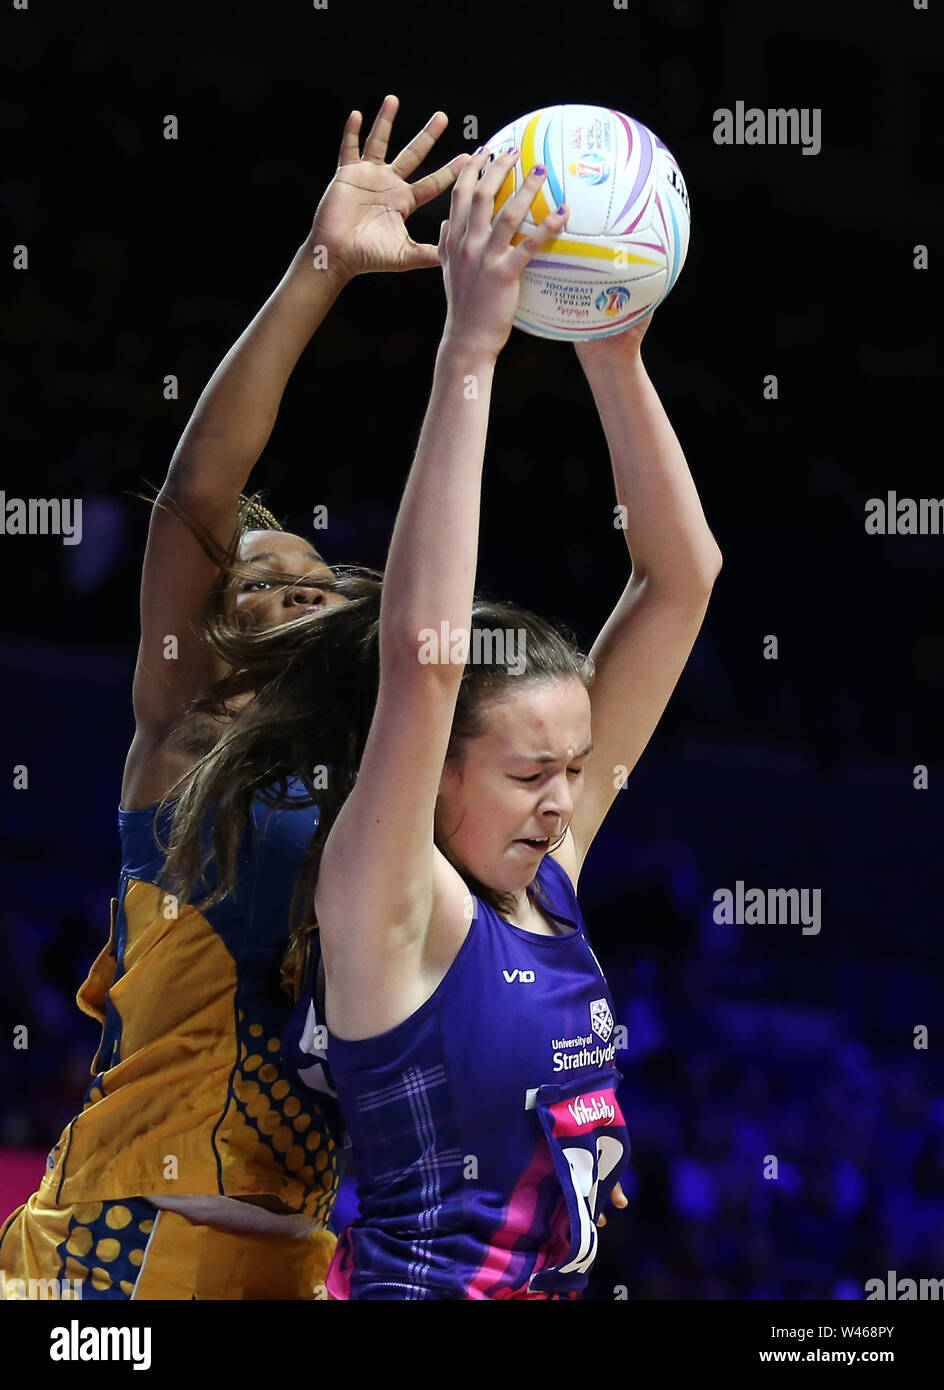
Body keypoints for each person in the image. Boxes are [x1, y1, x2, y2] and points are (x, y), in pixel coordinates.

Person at [177, 143, 721, 1297]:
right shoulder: (393, 902)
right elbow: (423, 661)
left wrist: (609, 349)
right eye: (531, 773)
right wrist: (467, 347)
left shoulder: (548, 872)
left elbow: (679, 580)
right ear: (437, 774)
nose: (567, 799)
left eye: (576, 767)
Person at [0, 94, 459, 1301]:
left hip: (295, 1265)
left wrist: (482, 341)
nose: (297, 582)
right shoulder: (188, 735)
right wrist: (323, 265)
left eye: (318, 578)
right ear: (209, 631)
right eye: (264, 582)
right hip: (104, 1261)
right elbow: (200, 498)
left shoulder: (390, 787)